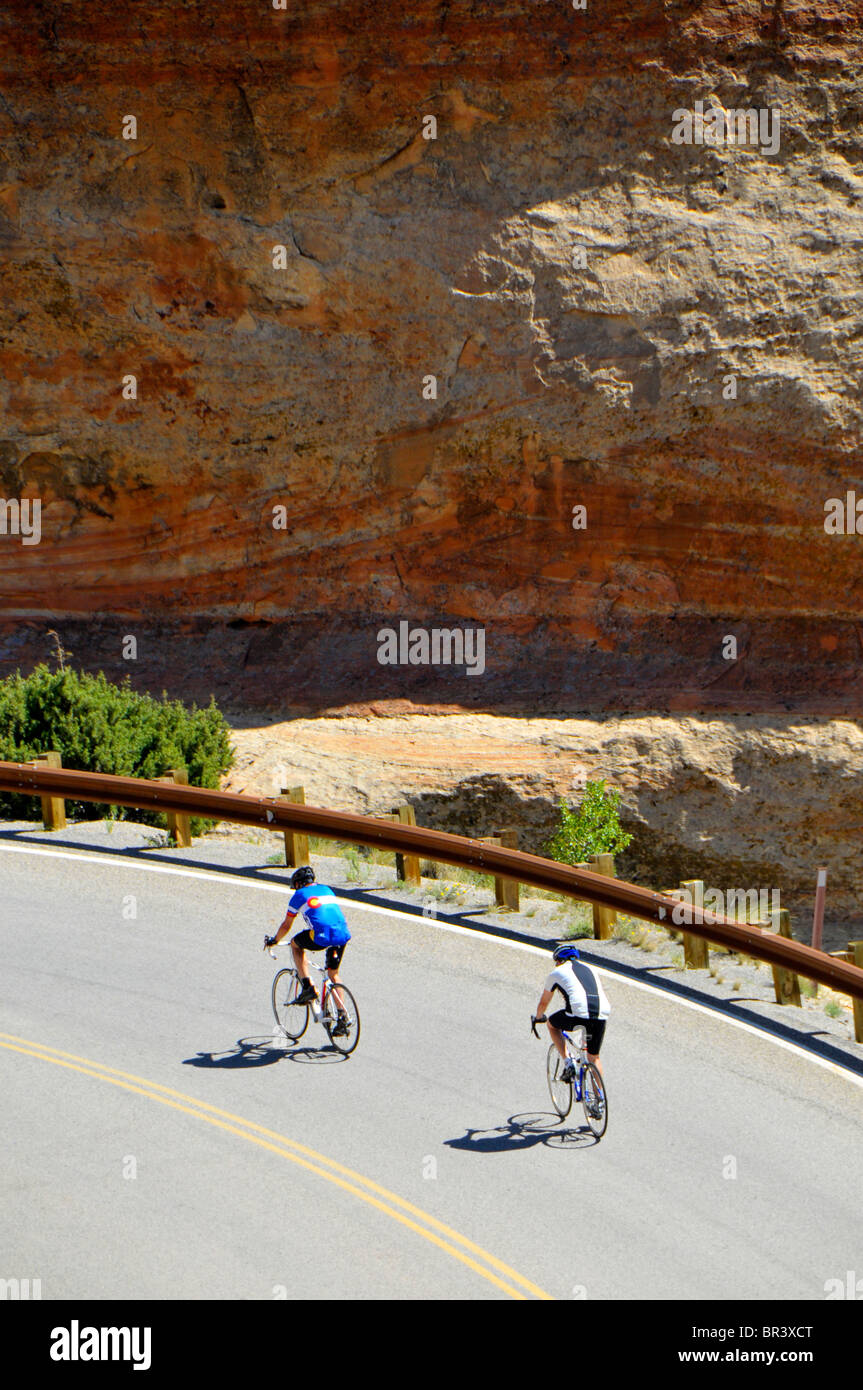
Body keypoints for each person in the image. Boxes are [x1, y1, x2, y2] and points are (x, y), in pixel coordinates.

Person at [264, 866, 352, 1037]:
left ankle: (307, 987)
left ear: (298, 884)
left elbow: (286, 925)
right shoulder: (327, 889)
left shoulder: (298, 896)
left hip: (321, 936)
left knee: (296, 945)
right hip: (342, 934)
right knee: (333, 973)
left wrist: (275, 940)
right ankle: (342, 1017)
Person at [532, 944, 610, 1083]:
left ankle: (569, 1062)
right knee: (594, 1057)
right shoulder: (591, 969)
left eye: (556, 961)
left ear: (560, 960)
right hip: (602, 1013)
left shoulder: (557, 972)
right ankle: (599, 1100)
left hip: (578, 1013)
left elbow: (544, 1002)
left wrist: (538, 1017)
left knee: (551, 1024)